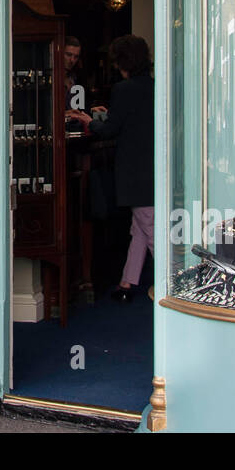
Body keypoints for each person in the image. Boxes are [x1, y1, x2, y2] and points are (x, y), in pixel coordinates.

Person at [68, 34, 154, 302]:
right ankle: (127, 283)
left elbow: (111, 130)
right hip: (151, 169)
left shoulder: (123, 90)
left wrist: (89, 120)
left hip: (134, 172)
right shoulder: (153, 87)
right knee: (140, 228)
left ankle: (172, 284)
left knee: (149, 229)